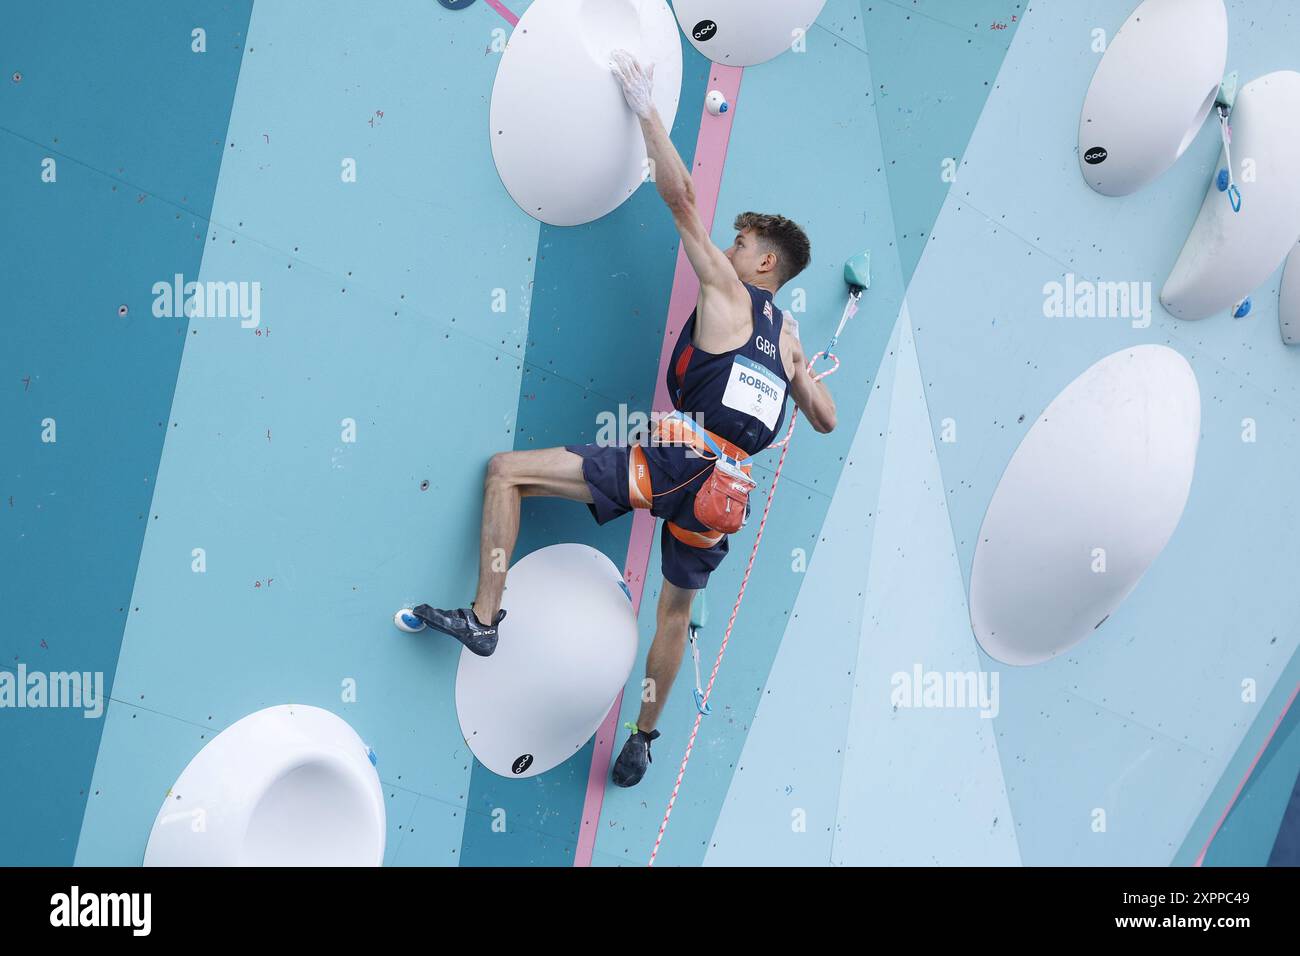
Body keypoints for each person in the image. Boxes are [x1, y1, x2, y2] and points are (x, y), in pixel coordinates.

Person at [409, 49, 837, 787]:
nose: (729, 250)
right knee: (674, 615)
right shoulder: (786, 340)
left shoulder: (732, 296)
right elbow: (825, 420)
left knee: (506, 475)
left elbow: (681, 205)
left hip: (675, 465)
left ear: (764, 264)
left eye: (743, 245)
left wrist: (645, 110)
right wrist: (797, 363)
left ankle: (485, 619)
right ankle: (643, 736)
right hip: (721, 498)